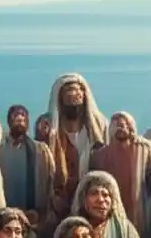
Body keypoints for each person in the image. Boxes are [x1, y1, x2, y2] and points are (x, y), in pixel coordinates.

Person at [90, 112, 151, 238]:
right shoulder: (100, 155)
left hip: (141, 212)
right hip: (111, 211)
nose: (121, 127)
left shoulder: (147, 149)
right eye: (116, 125)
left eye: (124, 124)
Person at [45, 73, 109, 224]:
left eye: (78, 92)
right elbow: (42, 166)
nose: (75, 96)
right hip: (59, 199)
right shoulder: (48, 127)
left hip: (92, 198)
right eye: (69, 92)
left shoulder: (99, 126)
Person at [0, 105, 54, 238]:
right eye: (16, 116)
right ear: (9, 121)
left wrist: (41, 211)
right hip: (2, 215)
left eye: (23, 117)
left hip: (31, 218)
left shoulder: (40, 150)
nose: (20, 119)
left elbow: (50, 181)